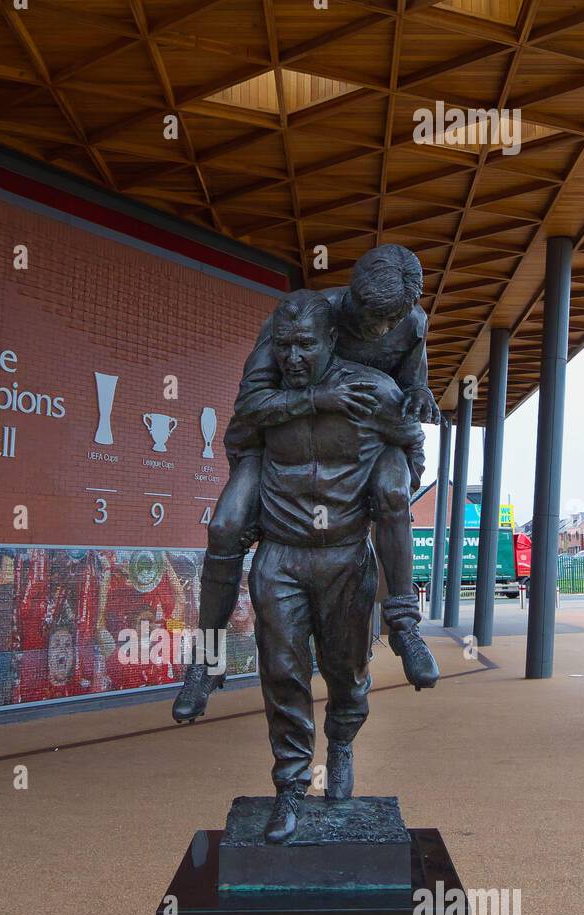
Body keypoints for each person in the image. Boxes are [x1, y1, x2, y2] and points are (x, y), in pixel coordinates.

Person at [173, 244, 440, 724]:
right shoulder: (303, 320)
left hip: (367, 437)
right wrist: (319, 397)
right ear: (351, 301)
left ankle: (403, 624)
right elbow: (249, 407)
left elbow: (411, 382)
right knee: (226, 526)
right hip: (275, 437)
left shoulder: (411, 324)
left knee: (395, 494)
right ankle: (207, 660)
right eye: (367, 318)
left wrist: (417, 397)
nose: (376, 331)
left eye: (386, 323)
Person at [237, 290, 427, 843]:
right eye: (285, 347)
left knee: (347, 674)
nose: (293, 359)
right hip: (282, 556)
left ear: (332, 341)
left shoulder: (375, 390)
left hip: (345, 555)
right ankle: (290, 787)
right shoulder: (266, 396)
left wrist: (395, 478)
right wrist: (245, 508)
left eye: (306, 347)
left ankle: (341, 741)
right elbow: (239, 438)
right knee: (283, 674)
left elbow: (411, 445)